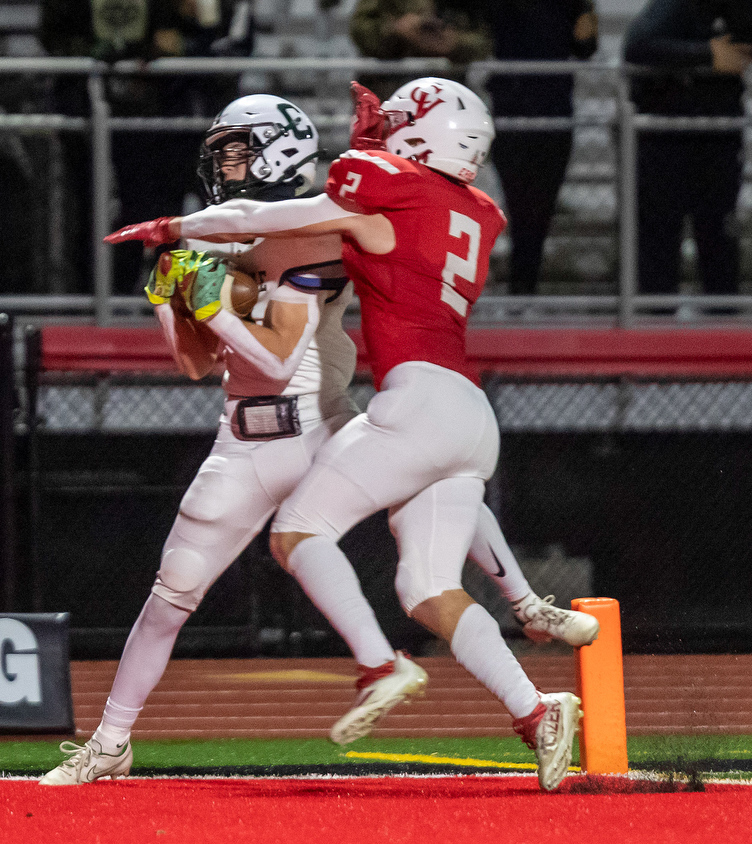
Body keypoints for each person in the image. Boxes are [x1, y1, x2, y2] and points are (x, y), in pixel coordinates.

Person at [104, 78, 596, 792]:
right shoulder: (477, 208)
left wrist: (174, 235)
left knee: (298, 533)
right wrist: (181, 293)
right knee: (426, 587)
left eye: (393, 121)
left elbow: (281, 236)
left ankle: (380, 663)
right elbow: (219, 325)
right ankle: (535, 700)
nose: (377, 128)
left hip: (409, 397)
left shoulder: (373, 192)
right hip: (466, 409)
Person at [41, 94, 429, 786]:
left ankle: (524, 672)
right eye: (223, 150)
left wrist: (210, 299)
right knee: (170, 596)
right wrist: (171, 305)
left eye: (237, 149)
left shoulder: (311, 232)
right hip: (244, 441)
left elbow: (281, 359)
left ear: (280, 150)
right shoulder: (215, 235)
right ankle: (111, 741)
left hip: (323, 430)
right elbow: (196, 363)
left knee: (436, 527)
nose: (224, 163)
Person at [37, 0, 253, 294]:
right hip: (118, 116)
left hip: (195, 118)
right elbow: (61, 37)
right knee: (113, 208)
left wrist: (183, 45)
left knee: (201, 210)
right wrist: (133, 50)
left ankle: (199, 293)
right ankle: (107, 296)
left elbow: (229, 51)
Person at [623, 0, 752, 307]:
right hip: (667, 139)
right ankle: (655, 320)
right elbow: (638, 46)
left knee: (719, 235)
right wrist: (707, 54)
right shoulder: (677, 7)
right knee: (661, 235)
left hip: (718, 138)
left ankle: (721, 320)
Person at [484, 1, 598, 297]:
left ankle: (525, 288)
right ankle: (519, 287)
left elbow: (586, 46)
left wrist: (585, 24)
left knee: (541, 206)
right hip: (511, 104)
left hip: (554, 106)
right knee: (518, 201)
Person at [349, 0, 492, 99]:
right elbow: (360, 31)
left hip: (446, 96)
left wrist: (456, 43)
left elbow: (483, 41)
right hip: (389, 92)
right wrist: (395, 30)